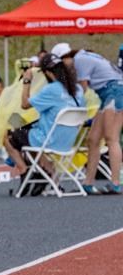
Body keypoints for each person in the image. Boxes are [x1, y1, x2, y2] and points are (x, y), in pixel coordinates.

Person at [3, 52, 85, 192]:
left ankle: (24, 171)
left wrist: (27, 81)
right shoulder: (78, 89)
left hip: (49, 140)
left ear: (47, 73)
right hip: (69, 141)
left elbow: (24, 104)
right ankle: (46, 171)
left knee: (9, 135)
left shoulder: (52, 89)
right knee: (28, 133)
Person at [51, 43, 123, 194]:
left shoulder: (79, 60)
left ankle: (116, 182)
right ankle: (88, 182)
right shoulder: (83, 57)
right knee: (93, 139)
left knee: (111, 137)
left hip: (116, 91)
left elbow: (81, 90)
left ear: (66, 57)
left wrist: (68, 106)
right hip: (107, 93)